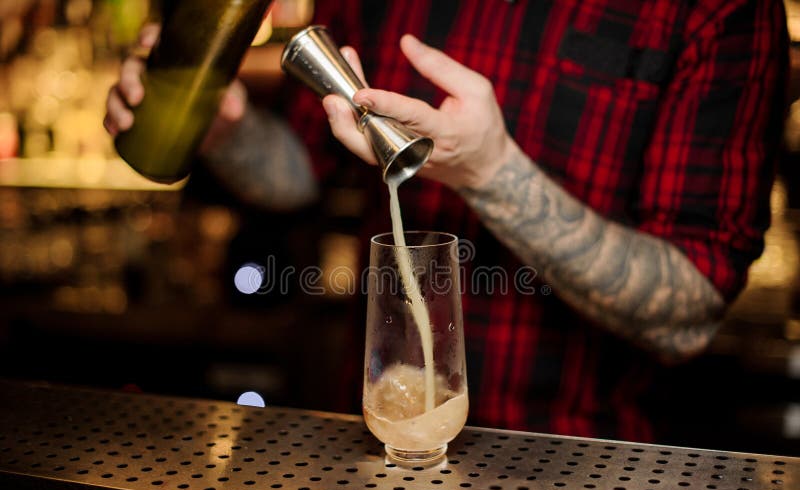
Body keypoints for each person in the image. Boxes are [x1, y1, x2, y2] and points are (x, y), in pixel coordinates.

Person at [105, 0, 789, 441]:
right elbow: (299, 176)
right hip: (379, 446)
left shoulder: (716, 10)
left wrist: (492, 172)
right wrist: (226, 132)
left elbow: (690, 311)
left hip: (586, 463)